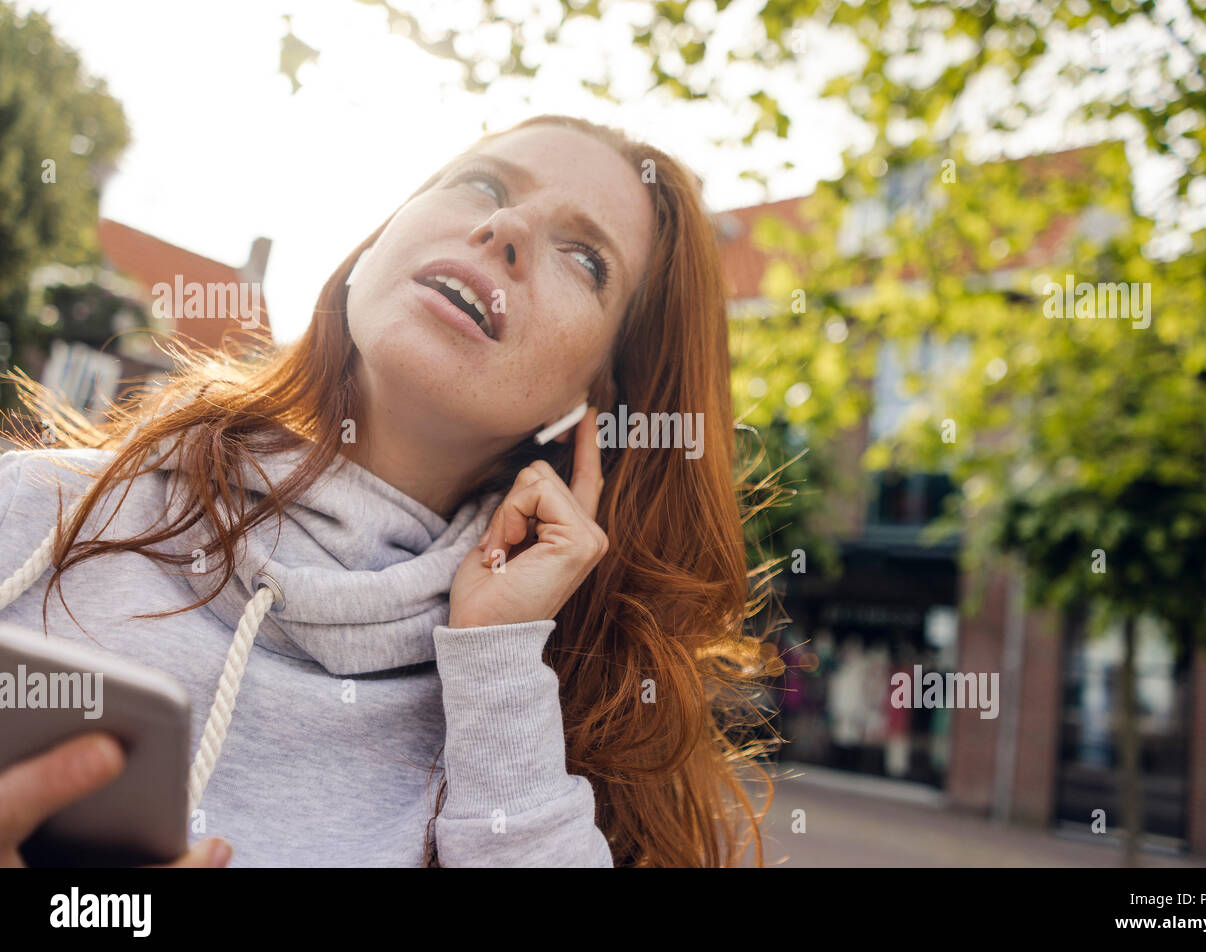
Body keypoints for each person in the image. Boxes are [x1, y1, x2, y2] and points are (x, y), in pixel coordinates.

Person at [0, 114, 779, 867]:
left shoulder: (548, 710)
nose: (506, 227)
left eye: (584, 257)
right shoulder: (36, 511)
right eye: (482, 183)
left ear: (594, 406)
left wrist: (498, 659)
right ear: (374, 245)